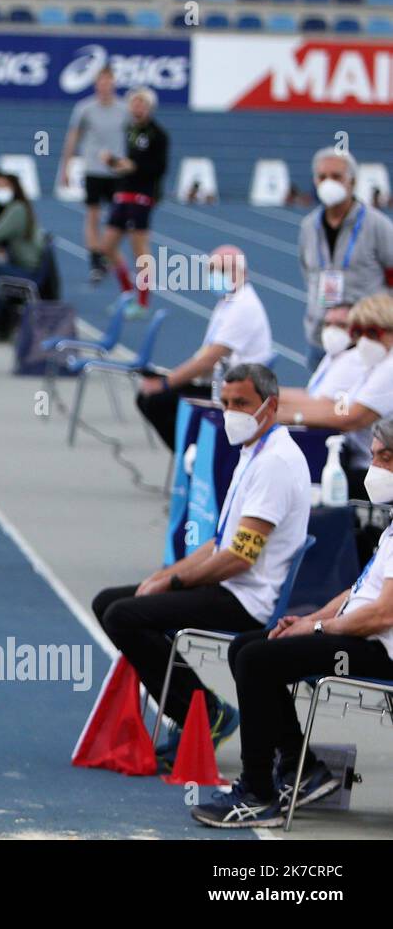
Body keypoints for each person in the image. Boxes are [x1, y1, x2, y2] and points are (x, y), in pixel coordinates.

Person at [92, 363, 311, 772]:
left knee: (125, 616)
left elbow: (239, 556)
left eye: (241, 403)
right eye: (225, 402)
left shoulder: (275, 464)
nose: (231, 412)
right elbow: (219, 541)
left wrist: (173, 581)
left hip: (247, 598)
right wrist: (162, 576)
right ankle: (200, 708)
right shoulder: (254, 453)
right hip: (231, 584)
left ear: (271, 405)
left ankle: (204, 712)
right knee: (108, 602)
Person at [192, 418, 393, 828]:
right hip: (363, 634)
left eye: (384, 458)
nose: (375, 468)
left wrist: (317, 631)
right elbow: (359, 593)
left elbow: (381, 614)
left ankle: (258, 794)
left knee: (258, 661)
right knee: (246, 646)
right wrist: (311, 619)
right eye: (373, 457)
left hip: (380, 650)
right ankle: (304, 770)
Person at [136, 245, 273, 450]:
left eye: (222, 270)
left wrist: (166, 383)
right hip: (221, 381)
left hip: (236, 390)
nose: (216, 276)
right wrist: (167, 377)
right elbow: (208, 355)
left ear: (242, 272)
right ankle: (190, 452)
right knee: (150, 396)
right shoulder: (228, 301)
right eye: (212, 270)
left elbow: (210, 359)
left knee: (157, 400)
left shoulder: (243, 306)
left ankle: (194, 456)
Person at [278, 292, 393, 497]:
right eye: (359, 332)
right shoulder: (373, 365)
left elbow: (351, 418)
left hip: (372, 471)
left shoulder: (388, 368)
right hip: (362, 462)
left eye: (373, 332)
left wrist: (289, 415)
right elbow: (339, 405)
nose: (365, 340)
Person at [298, 146, 393, 370]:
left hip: (365, 338)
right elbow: (307, 271)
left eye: (336, 176)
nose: (328, 182)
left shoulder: (376, 225)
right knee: (319, 401)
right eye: (322, 177)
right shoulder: (308, 227)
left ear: (352, 181)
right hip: (321, 336)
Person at [99, 86, 168, 319]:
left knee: (140, 250)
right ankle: (127, 293)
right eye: (134, 103)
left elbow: (159, 168)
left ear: (149, 107)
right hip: (123, 192)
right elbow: (126, 163)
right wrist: (112, 161)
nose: (137, 107)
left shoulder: (158, 134)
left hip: (142, 195)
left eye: (142, 103)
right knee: (107, 246)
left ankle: (142, 302)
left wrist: (135, 167)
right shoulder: (128, 129)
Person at [58, 65, 129, 283]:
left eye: (109, 82)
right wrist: (65, 168)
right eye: (101, 82)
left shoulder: (124, 109)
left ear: (114, 84)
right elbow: (72, 138)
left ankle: (105, 252)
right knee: (93, 215)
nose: (105, 86)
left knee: (120, 220)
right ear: (96, 84)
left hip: (118, 172)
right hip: (93, 169)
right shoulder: (84, 108)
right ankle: (95, 260)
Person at [0, 170, 48, 338]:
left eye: (2, 186)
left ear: (14, 188)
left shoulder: (17, 209)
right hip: (25, 265)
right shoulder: (19, 207)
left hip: (27, 269)